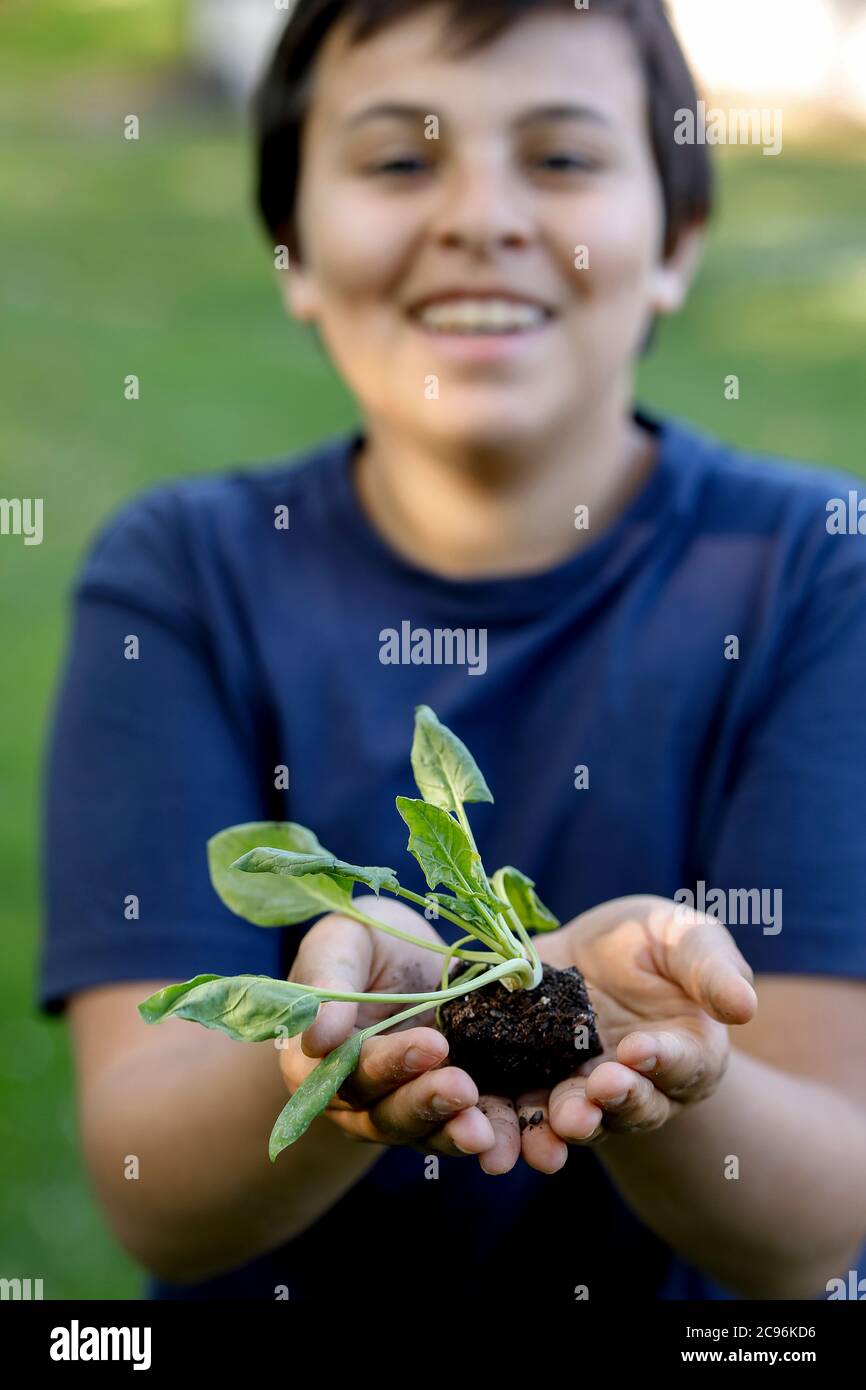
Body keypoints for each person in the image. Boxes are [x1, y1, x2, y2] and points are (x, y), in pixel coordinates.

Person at [39, 0, 866, 1302]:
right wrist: (334, 1048)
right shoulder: (183, 573)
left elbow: (816, 1224)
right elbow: (156, 1195)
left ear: (676, 241)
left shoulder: (816, 566)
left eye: (561, 157)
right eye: (398, 161)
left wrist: (654, 1063)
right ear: (292, 249)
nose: (480, 215)